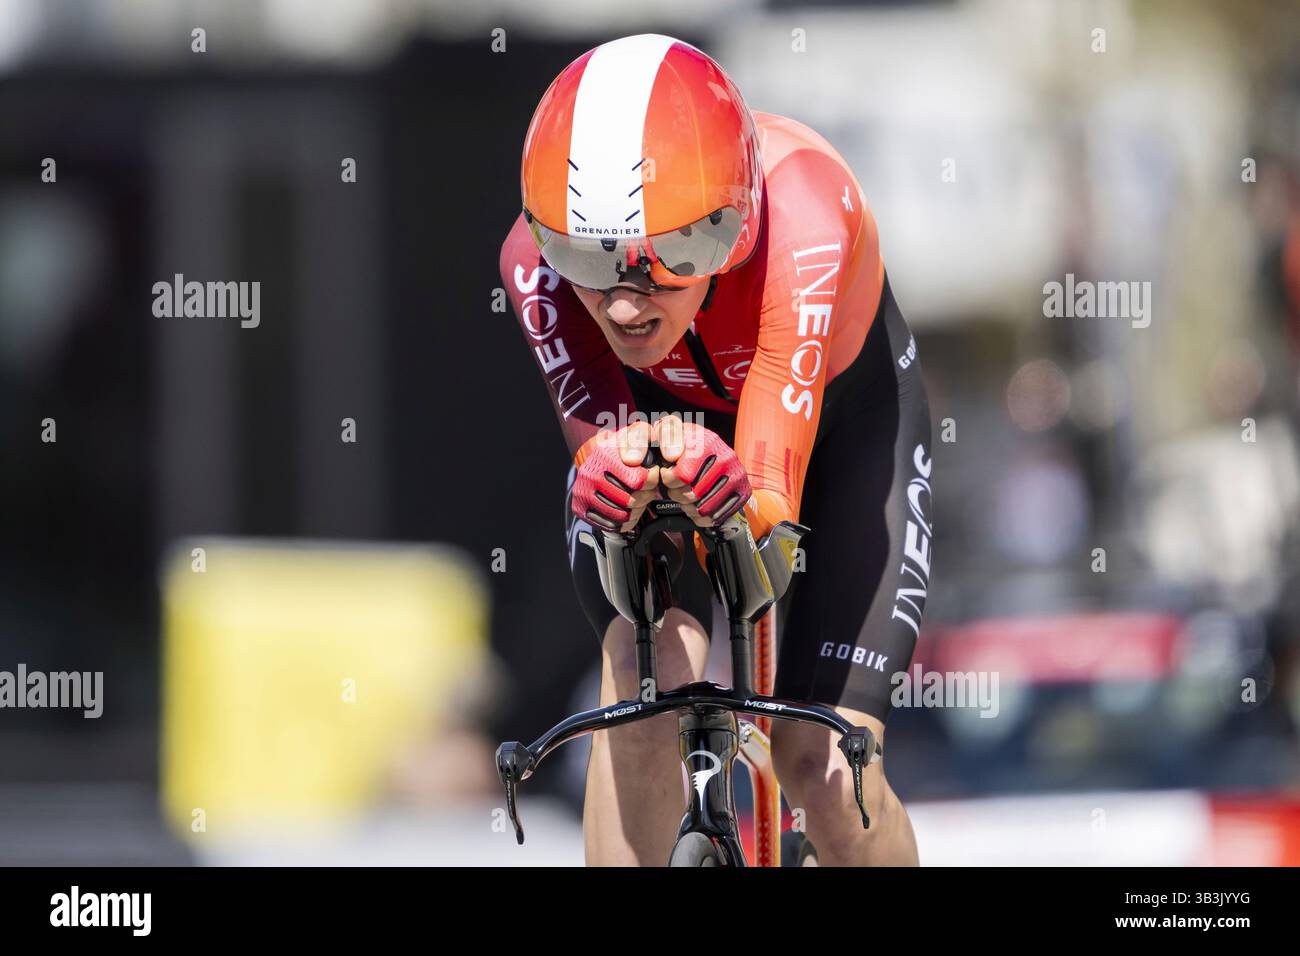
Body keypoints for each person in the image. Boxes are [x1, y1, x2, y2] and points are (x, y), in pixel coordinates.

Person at [499, 33, 932, 866]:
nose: (626, 305)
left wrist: (735, 494)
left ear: (733, 225)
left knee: (825, 768)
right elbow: (598, 457)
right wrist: (613, 481)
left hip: (837, 428)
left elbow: (769, 497)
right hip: (665, 427)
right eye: (586, 257)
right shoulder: (532, 268)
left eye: (677, 257)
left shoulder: (803, 207)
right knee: (644, 662)